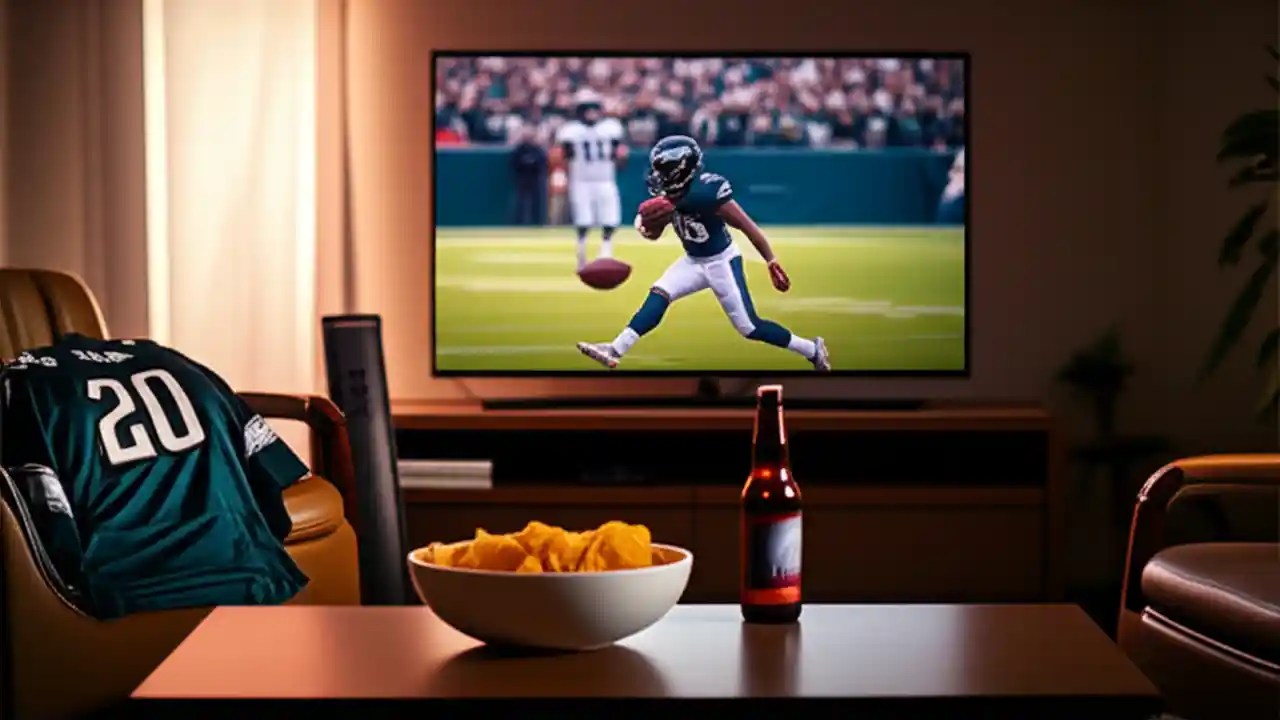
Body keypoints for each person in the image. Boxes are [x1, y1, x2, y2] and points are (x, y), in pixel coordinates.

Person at [576, 135, 831, 371]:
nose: (657, 176)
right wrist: (645, 226)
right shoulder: (669, 195)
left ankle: (811, 349)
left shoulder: (708, 191)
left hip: (721, 262)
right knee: (660, 293)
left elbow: (747, 225)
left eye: (663, 171)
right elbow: (654, 234)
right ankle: (615, 348)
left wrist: (770, 260)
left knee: (750, 327)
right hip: (692, 260)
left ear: (680, 170)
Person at [554, 90, 628, 271]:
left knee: (610, 217)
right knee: (583, 219)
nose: (591, 113)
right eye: (587, 109)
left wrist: (620, 158)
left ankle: (606, 250)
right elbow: (564, 155)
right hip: (581, 179)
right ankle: (581, 249)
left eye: (594, 109)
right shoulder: (570, 130)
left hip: (605, 178)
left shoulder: (611, 127)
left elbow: (619, 154)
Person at [509, 127, 547, 225]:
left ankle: (538, 222)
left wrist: (531, 163)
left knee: (537, 201)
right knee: (521, 202)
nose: (528, 138)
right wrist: (526, 163)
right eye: (526, 136)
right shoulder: (519, 149)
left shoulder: (537, 149)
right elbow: (514, 162)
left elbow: (542, 162)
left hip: (535, 177)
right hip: (522, 178)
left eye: (530, 136)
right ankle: (519, 222)